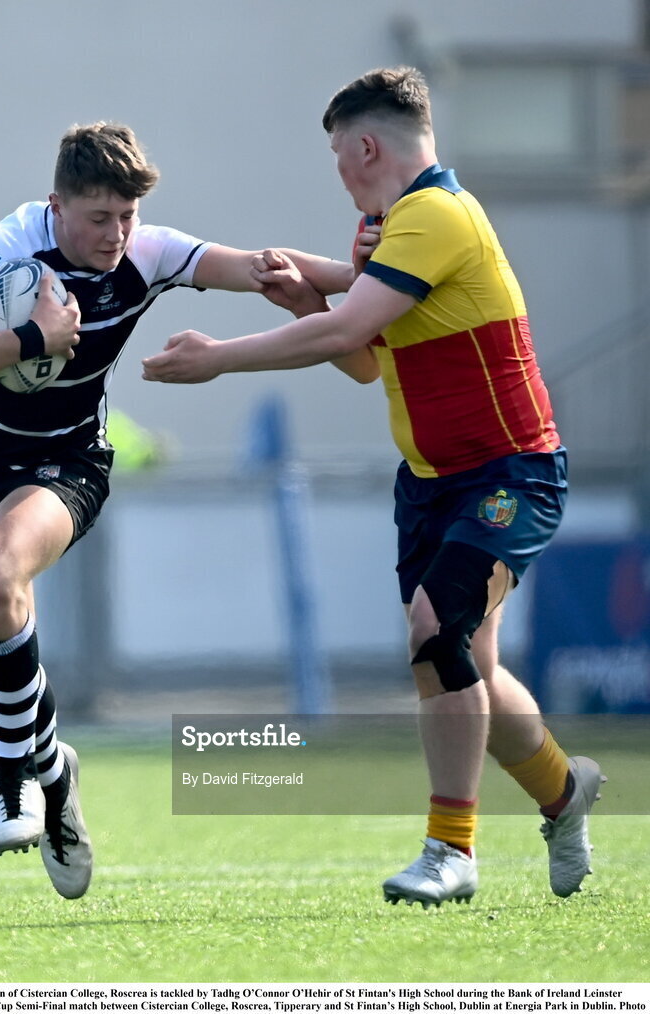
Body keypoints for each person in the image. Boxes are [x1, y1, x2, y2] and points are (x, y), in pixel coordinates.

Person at [142, 68, 604, 907]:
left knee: (435, 634)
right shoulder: (385, 231)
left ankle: (450, 851)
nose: (338, 170)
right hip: (431, 483)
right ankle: (565, 793)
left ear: (364, 146)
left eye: (336, 153)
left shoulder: (434, 213)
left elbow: (349, 327)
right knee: (466, 666)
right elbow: (365, 361)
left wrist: (218, 359)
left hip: (509, 473)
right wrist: (298, 298)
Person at [0, 121, 360, 900]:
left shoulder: (143, 250)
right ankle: (54, 769)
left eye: (128, 217)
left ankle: (15, 780)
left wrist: (363, 273)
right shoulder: (5, 250)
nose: (117, 235)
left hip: (67, 461)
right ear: (56, 206)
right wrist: (27, 338)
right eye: (98, 217)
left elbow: (260, 265)